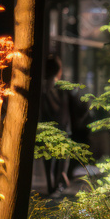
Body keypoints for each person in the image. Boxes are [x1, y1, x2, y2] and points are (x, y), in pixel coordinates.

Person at [40, 55, 71, 196]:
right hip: (57, 127)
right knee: (60, 156)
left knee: (48, 158)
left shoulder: (42, 86)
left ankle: (51, 184)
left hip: (45, 127)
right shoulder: (57, 86)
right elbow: (60, 109)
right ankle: (57, 183)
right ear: (58, 70)